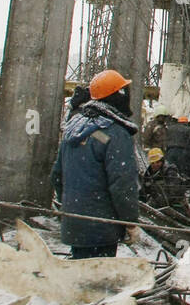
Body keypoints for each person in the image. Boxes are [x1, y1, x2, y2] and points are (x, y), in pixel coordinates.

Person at [50, 68, 140, 259]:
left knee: (80, 276)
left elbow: (57, 175)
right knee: (98, 282)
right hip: (101, 229)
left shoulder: (72, 129)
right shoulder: (115, 133)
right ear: (119, 96)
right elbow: (122, 184)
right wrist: (130, 222)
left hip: (74, 223)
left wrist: (72, 207)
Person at [163, 115, 190, 181]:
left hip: (170, 151)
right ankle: (182, 186)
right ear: (186, 123)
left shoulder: (170, 128)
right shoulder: (189, 129)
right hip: (183, 152)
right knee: (183, 171)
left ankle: (171, 184)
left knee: (170, 170)